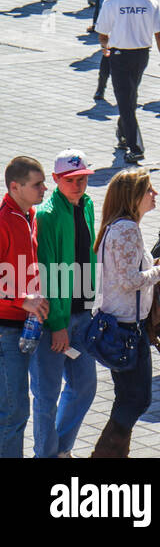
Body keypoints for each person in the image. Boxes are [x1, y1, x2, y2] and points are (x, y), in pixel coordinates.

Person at [89, 170, 160, 456]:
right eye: (148, 191)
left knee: (128, 398)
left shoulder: (117, 227)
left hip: (123, 325)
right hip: (127, 328)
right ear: (133, 196)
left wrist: (157, 263)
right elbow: (130, 279)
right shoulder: (126, 229)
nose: (155, 194)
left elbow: (128, 272)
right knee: (137, 399)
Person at [30, 151, 98, 459]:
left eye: (83, 179)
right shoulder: (46, 215)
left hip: (82, 313)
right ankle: (46, 454)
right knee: (46, 396)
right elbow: (48, 273)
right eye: (71, 180)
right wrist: (56, 325)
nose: (78, 185)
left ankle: (61, 448)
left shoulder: (87, 205)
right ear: (56, 180)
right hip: (54, 321)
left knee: (84, 387)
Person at [95, 0, 160, 162]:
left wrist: (105, 49)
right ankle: (123, 133)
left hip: (119, 55)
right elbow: (159, 36)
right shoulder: (150, 2)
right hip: (141, 56)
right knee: (129, 96)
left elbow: (102, 33)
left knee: (125, 102)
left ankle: (135, 146)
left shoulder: (111, 2)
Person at [0, 156, 49, 458]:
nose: (45, 189)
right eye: (37, 185)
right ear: (15, 187)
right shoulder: (4, 221)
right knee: (13, 414)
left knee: (14, 411)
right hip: (6, 330)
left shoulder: (29, 214)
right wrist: (23, 298)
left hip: (23, 327)